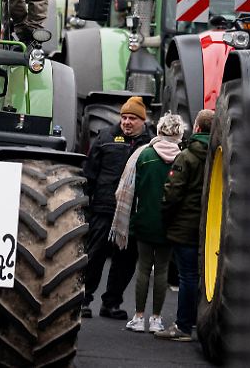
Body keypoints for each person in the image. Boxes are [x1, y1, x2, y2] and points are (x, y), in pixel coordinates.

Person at [111, 113, 185, 334]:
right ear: (179, 133)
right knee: (161, 270)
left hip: (143, 220)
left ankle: (138, 316)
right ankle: (156, 319)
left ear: (160, 131)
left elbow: (130, 191)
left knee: (143, 268)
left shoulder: (143, 156)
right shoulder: (182, 158)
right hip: (169, 224)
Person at [81, 96, 151, 320]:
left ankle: (111, 303)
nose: (127, 122)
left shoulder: (151, 144)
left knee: (125, 260)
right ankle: (83, 299)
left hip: (132, 212)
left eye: (132, 118)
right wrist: (86, 202)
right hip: (104, 207)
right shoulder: (105, 137)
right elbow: (90, 172)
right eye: (124, 117)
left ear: (143, 120)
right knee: (94, 256)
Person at [155, 109, 214, 341]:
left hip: (185, 224)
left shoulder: (187, 156)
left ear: (197, 128)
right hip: (210, 226)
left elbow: (173, 192)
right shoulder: (220, 153)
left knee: (187, 276)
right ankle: (200, 322)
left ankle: (182, 326)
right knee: (203, 277)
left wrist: (165, 215)